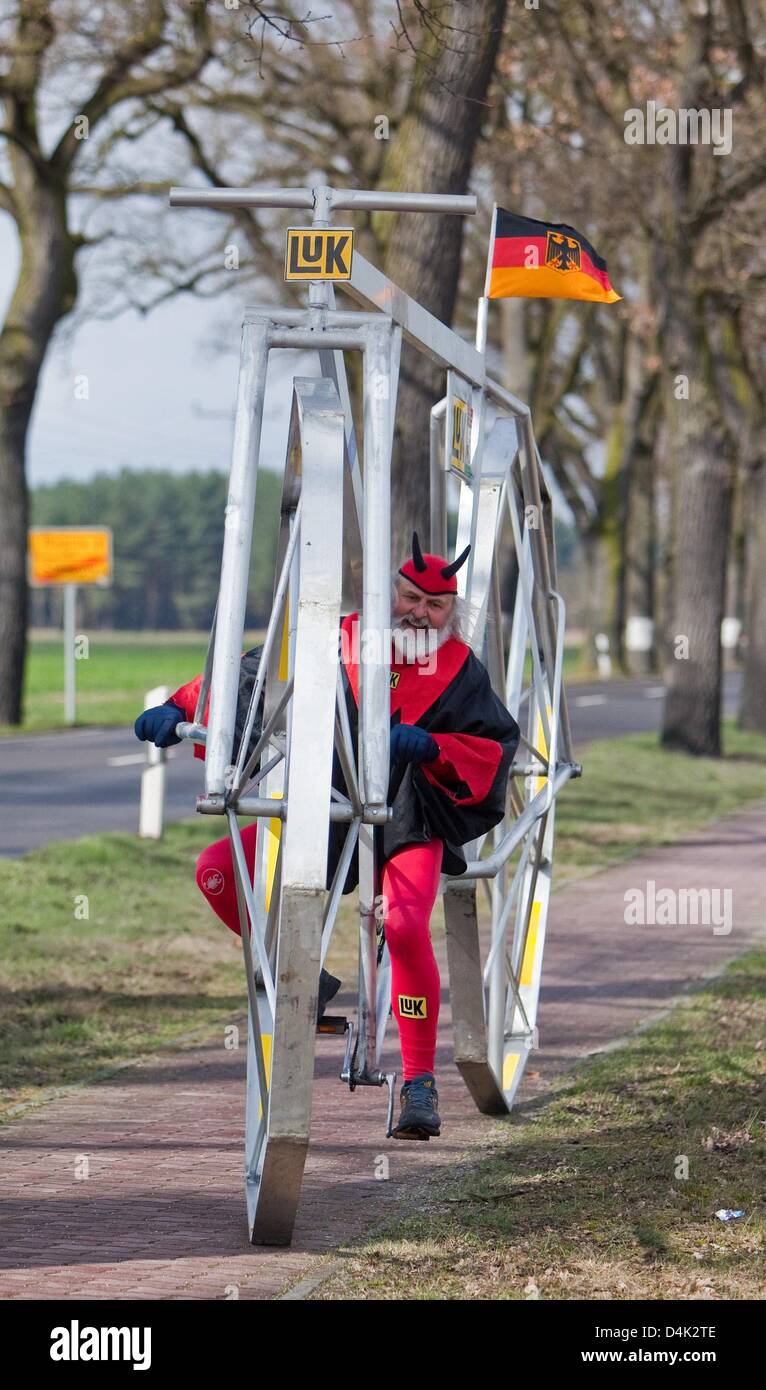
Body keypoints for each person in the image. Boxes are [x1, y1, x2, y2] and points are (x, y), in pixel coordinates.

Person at [134, 533, 520, 1140]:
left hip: (408, 816)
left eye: (435, 605)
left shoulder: (460, 670)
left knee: (405, 923)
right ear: (388, 591)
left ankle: (418, 1082)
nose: (418, 611)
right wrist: (184, 709)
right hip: (321, 803)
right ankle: (304, 973)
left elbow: (493, 748)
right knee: (217, 872)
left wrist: (436, 747)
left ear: (451, 613)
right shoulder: (332, 637)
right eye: (409, 596)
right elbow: (251, 682)